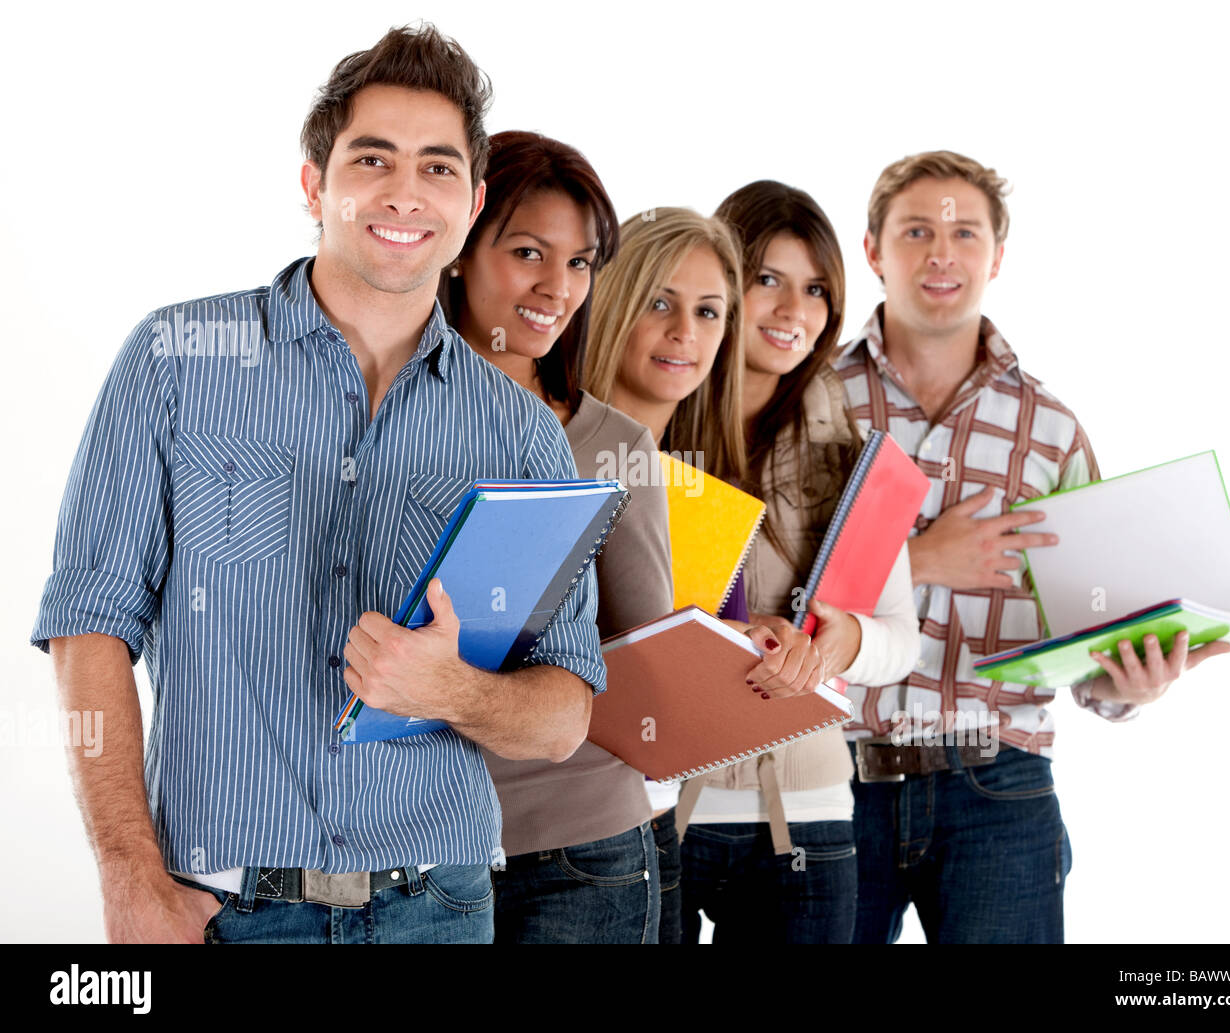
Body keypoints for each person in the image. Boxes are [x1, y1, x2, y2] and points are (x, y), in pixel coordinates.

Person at [29, 24, 608, 945]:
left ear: (472, 204)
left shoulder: (521, 432)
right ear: (315, 185)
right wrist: (129, 880)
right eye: (372, 159)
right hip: (226, 905)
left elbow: (562, 716)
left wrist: (452, 690)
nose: (404, 193)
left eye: (438, 168)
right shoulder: (178, 359)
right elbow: (87, 626)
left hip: (440, 905)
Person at [834, 150, 1230, 943]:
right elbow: (770, 583)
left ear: (997, 256)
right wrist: (920, 563)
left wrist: (1130, 684)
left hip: (1000, 793)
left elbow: (1090, 629)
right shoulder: (816, 398)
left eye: (964, 232)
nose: (941, 252)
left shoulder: (1049, 431)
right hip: (835, 783)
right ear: (875, 251)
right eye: (917, 230)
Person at [667, 181, 919, 943]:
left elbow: (899, 639)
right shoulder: (646, 423)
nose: (792, 311)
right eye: (767, 280)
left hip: (805, 816)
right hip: (657, 812)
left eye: (815, 290)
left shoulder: (846, 448)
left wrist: (837, 641)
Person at [437, 130, 668, 943]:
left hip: (579, 853)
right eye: (530, 252)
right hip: (410, 855)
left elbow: (641, 653)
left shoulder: (614, 448)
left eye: (580, 263)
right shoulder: (377, 423)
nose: (557, 286)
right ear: (459, 246)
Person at [584, 206, 826, 941]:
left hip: (658, 826)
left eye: (709, 311)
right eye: (660, 301)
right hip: (566, 832)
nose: (685, 331)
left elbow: (677, 681)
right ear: (613, 300)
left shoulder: (703, 490)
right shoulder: (555, 445)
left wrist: (756, 650)